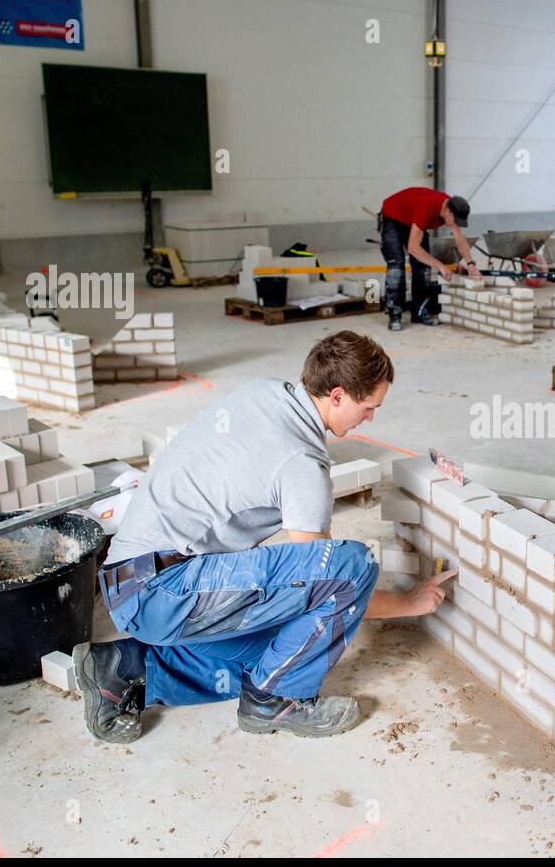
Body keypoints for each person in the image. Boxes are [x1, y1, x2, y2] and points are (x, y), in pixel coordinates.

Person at [74, 331, 456, 744]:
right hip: (160, 591)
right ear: (339, 395)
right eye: (368, 408)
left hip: (130, 582)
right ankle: (275, 701)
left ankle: (122, 669)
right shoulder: (302, 465)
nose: (370, 419)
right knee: (350, 565)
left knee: (283, 652)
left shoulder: (267, 393)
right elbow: (328, 580)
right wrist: (405, 603)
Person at [378, 187, 480, 331]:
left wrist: (470, 263)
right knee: (396, 265)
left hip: (413, 221)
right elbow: (413, 248)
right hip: (393, 218)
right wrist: (440, 266)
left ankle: (419, 312)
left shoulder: (452, 207)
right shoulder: (426, 207)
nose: (454, 224)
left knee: (423, 267)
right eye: (454, 220)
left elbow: (459, 238)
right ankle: (395, 315)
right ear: (447, 212)